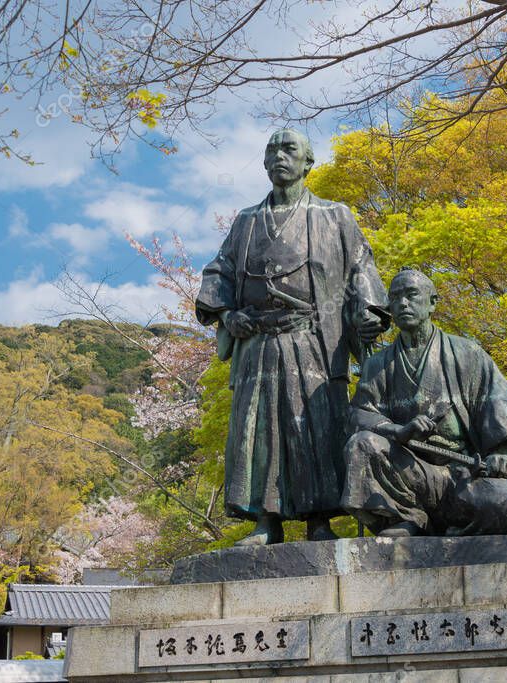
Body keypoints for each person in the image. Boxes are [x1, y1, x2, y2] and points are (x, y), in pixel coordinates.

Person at [195, 128, 389, 545]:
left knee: (318, 424)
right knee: (260, 425)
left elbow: (360, 268)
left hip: (314, 338)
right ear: (264, 164)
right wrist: (228, 315)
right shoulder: (246, 221)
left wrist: (369, 314)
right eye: (271, 150)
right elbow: (220, 271)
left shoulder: (333, 215)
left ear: (308, 162)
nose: (279, 156)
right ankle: (266, 521)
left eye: (289, 149)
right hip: (259, 342)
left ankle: (320, 520)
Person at [341, 267, 507, 537]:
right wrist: (398, 430)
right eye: (395, 298)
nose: (403, 303)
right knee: (361, 444)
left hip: (462, 476)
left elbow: (500, 406)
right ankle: (406, 518)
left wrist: (501, 453)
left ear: (432, 302)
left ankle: (450, 533)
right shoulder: (377, 365)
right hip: (407, 472)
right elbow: (359, 415)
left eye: (411, 295)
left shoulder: (467, 353)